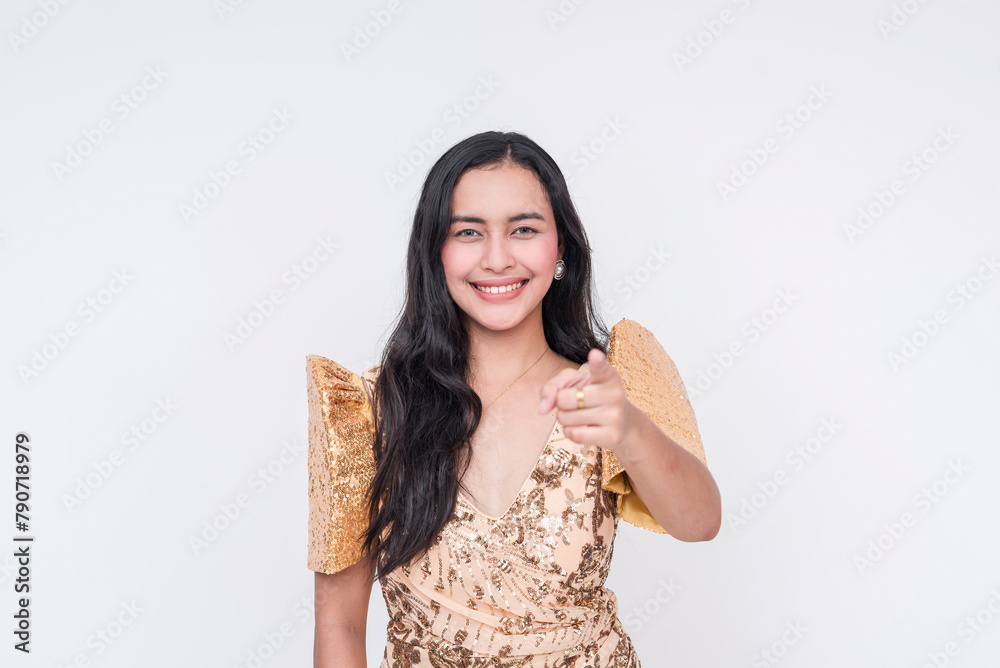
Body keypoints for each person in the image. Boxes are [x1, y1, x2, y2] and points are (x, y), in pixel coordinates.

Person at [306, 130, 721, 667]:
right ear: (437, 252)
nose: (498, 258)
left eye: (523, 229)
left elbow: (699, 522)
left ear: (561, 246)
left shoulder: (607, 386)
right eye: (469, 232)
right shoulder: (368, 409)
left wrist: (629, 428)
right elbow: (338, 621)